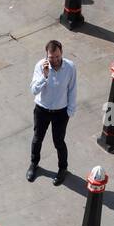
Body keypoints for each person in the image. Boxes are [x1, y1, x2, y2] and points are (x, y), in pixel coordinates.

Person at [28, 39, 77, 186]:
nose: (55, 60)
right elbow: (34, 90)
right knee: (37, 138)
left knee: (59, 142)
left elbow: (72, 89)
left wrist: (70, 111)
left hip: (61, 112)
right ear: (46, 56)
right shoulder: (40, 66)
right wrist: (45, 76)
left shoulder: (70, 67)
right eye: (51, 57)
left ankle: (63, 168)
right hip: (42, 109)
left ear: (61, 53)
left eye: (57, 56)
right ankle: (34, 164)